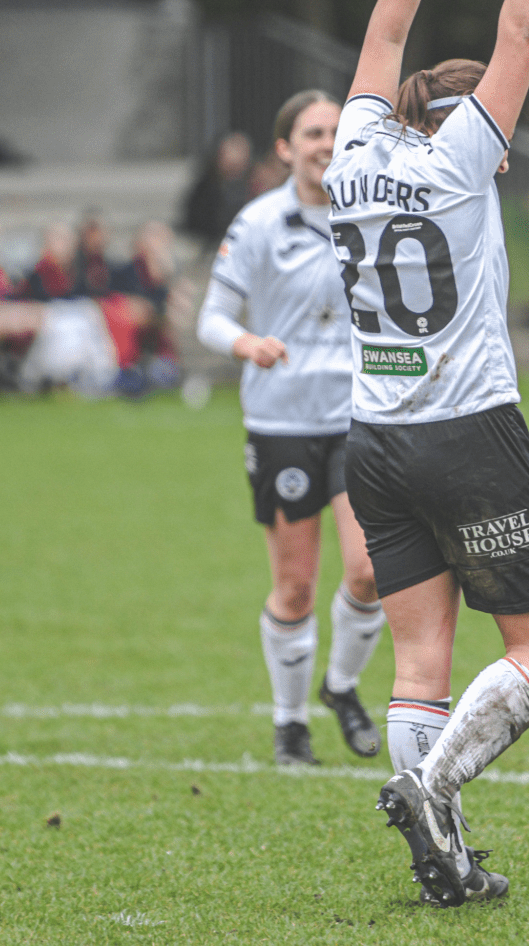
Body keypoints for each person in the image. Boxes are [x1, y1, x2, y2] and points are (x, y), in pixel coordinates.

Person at [324, 0, 529, 907]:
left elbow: (382, 34)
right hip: (465, 434)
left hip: (371, 441)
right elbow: (526, 31)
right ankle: (428, 786)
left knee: (421, 653)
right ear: (476, 122)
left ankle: (447, 863)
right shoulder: (465, 161)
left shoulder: (347, 149)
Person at [195, 89, 387, 767]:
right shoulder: (257, 224)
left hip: (360, 416)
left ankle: (340, 686)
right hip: (281, 421)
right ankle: (289, 725)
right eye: (312, 131)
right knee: (297, 583)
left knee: (370, 570)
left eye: (336, 129)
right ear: (285, 147)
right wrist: (246, 343)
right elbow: (210, 317)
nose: (326, 141)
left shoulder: (370, 211)